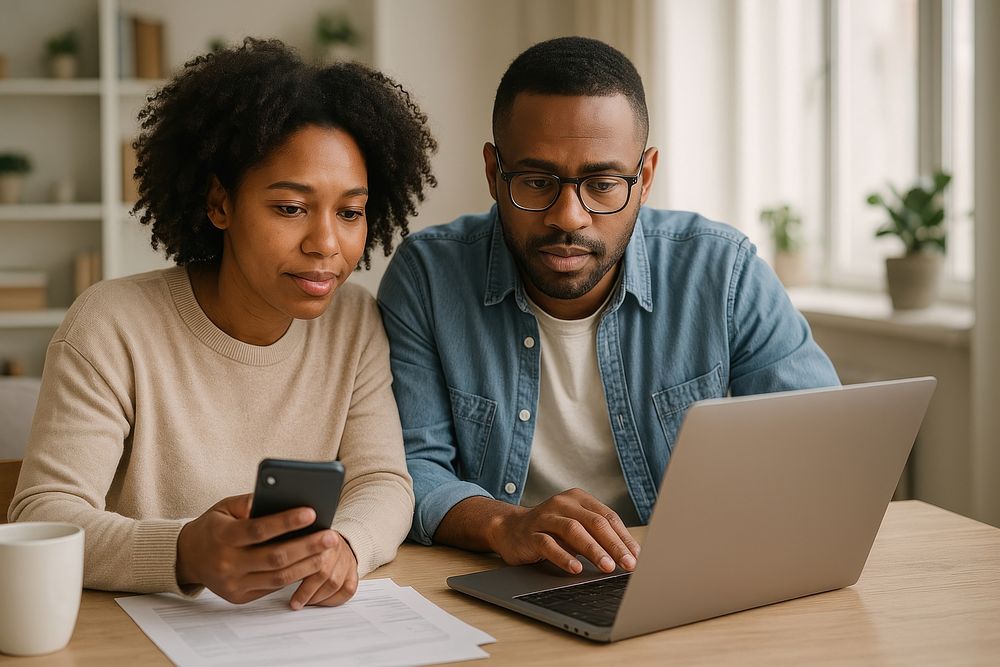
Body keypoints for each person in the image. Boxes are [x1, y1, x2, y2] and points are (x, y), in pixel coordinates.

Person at [377, 36, 839, 577]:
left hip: (676, 576)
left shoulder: (722, 272)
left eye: (602, 184)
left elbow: (821, 444)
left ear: (644, 177)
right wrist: (505, 525)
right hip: (500, 578)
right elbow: (408, 467)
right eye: (535, 181)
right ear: (492, 172)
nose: (568, 217)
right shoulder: (428, 277)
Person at [9, 39, 436, 609]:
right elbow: (45, 512)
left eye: (350, 213)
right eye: (290, 208)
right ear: (220, 204)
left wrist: (347, 548)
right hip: (136, 632)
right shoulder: (111, 325)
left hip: (290, 627)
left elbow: (382, 482)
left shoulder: (353, 320)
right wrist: (184, 552)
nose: (326, 244)